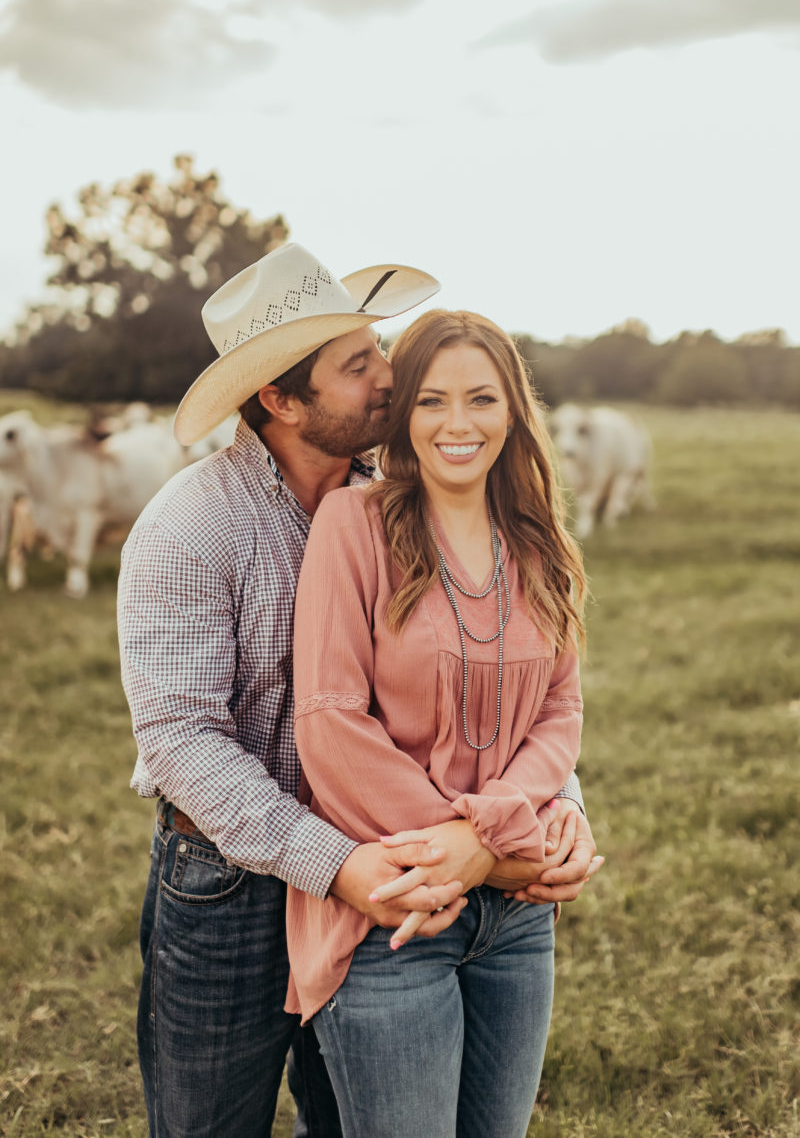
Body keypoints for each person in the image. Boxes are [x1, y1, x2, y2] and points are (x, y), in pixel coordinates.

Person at [117, 244, 597, 1137]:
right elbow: (182, 739)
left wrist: (550, 805)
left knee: (352, 1121)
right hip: (235, 876)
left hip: (397, 863)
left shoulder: (404, 499)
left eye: (378, 352)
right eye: (358, 365)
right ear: (281, 398)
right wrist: (345, 865)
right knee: (208, 1123)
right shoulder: (191, 525)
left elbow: (509, 688)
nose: (389, 378)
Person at [286, 308, 597, 1138]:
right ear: (403, 417)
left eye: (481, 399)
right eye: (431, 401)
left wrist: (494, 847)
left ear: (512, 412)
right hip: (395, 904)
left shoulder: (540, 544)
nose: (458, 425)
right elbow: (329, 722)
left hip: (518, 921)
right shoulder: (353, 525)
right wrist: (479, 854)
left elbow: (561, 710)